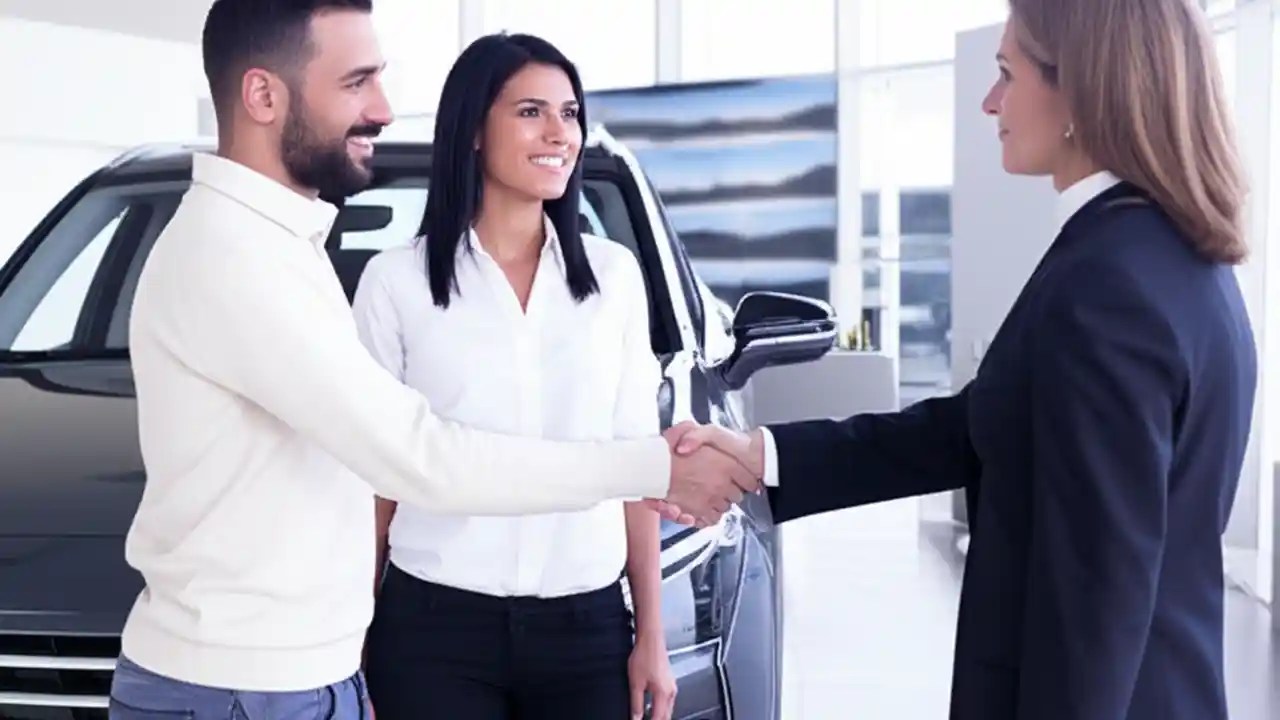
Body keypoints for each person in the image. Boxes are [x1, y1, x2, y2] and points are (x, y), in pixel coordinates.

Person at [109, 2, 749, 718]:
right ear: (263, 95)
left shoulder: (282, 246)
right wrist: (658, 466)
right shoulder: (243, 261)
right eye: (357, 82)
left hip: (297, 676)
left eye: (568, 112)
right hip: (258, 683)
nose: (384, 108)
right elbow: (413, 460)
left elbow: (354, 470)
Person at [665, 1, 1257, 719]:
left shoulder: (1107, 288)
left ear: (1081, 89)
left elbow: (1094, 600)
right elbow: (974, 429)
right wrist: (763, 457)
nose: (990, 101)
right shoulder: (1176, 261)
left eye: (1006, 74)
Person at [353, 32, 678, 720]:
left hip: (586, 629)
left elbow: (638, 467)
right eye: (531, 112)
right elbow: (373, 484)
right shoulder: (396, 283)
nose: (559, 132)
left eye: (570, 113)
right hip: (432, 631)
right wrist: (354, 637)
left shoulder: (614, 277)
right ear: (473, 128)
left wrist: (651, 634)